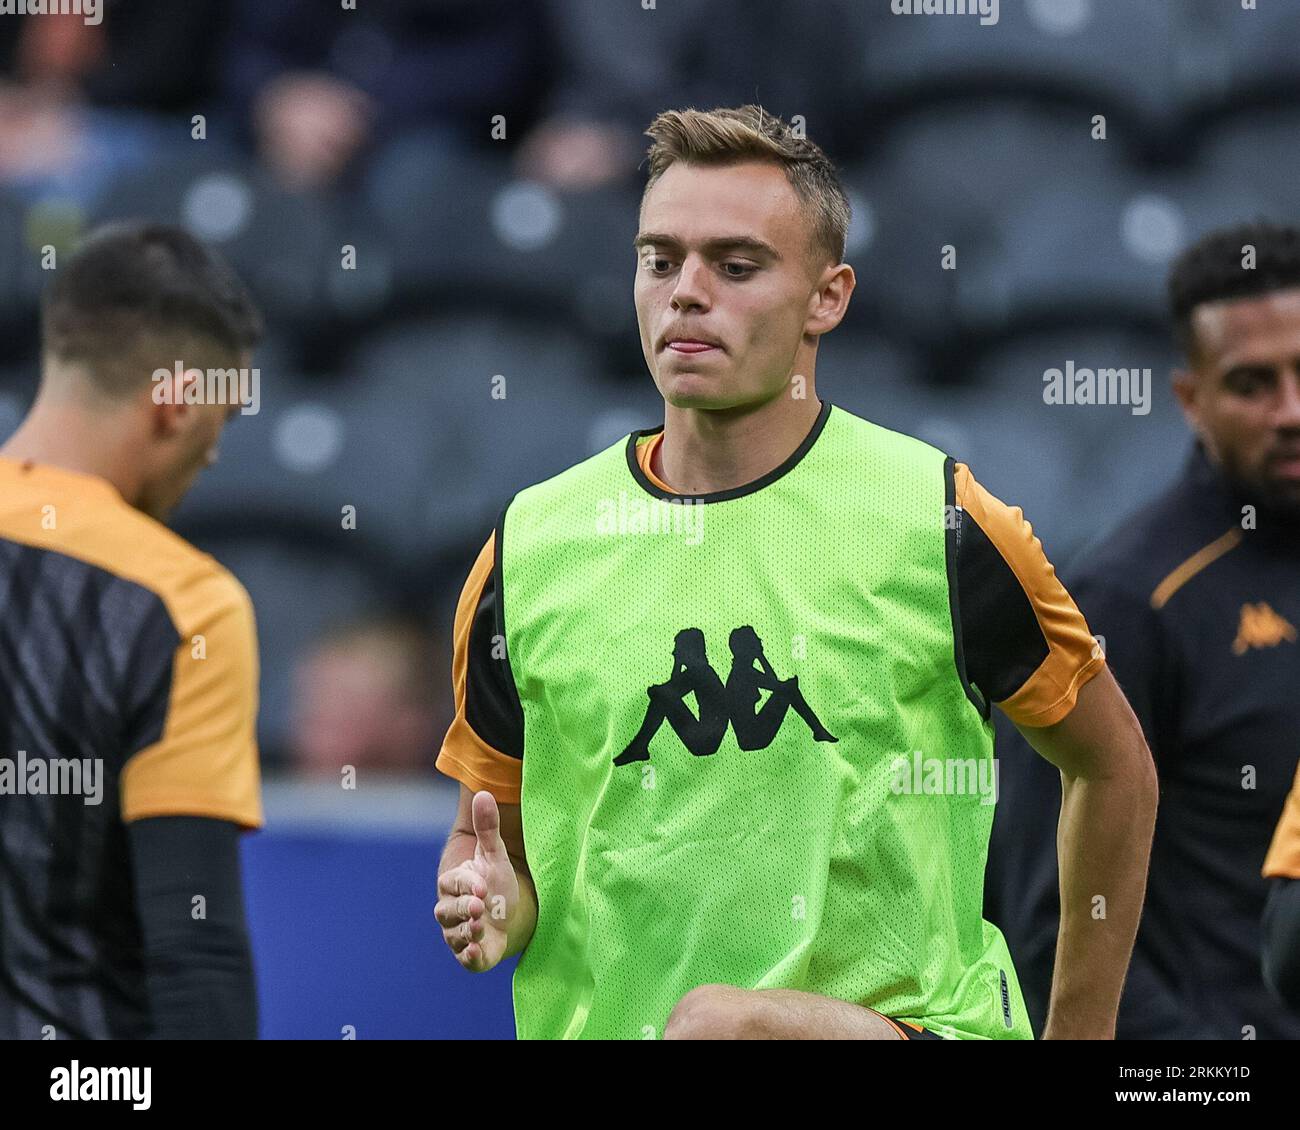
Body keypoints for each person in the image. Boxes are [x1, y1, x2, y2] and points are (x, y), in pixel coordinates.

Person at [434, 105, 1156, 1040]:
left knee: (723, 1027)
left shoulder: (939, 520)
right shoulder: (528, 546)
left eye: (736, 267)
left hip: (905, 1027)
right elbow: (495, 846)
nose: (687, 293)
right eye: (660, 260)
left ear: (828, 296)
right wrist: (491, 901)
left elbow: (1113, 769)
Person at [989, 222, 1300, 1039]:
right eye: (1253, 383)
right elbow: (1049, 933)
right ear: (1192, 400)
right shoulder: (1123, 600)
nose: (1291, 411)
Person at [0, 222, 265, 1039]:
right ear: (175, 406)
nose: (212, 460)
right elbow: (195, 949)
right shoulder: (185, 605)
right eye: (217, 427)